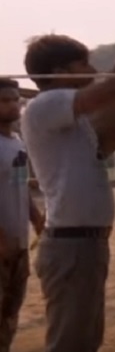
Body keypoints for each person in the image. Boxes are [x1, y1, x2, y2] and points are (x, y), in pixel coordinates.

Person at [20, 0, 115, 352]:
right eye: (83, 65)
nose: (92, 70)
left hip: (85, 242)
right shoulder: (46, 107)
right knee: (70, 341)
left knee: (84, 338)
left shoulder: (68, 110)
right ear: (60, 72)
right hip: (72, 244)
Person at [0, 78, 45, 352]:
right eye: (4, 100)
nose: (12, 105)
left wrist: (36, 220)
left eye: (15, 99)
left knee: (10, 313)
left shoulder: (16, 142)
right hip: (2, 246)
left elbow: (20, 188)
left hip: (18, 246)